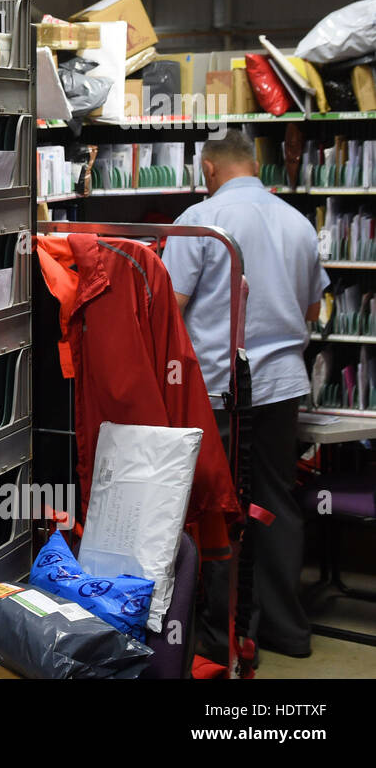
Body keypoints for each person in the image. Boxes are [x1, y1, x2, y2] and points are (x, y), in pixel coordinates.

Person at [163, 129, 328, 661]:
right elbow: (310, 311)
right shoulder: (298, 222)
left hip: (221, 388)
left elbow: (171, 305)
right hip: (282, 386)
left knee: (220, 508)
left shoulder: (201, 221)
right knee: (275, 501)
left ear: (208, 169)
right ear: (255, 165)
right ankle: (286, 629)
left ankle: (224, 636)